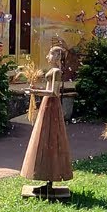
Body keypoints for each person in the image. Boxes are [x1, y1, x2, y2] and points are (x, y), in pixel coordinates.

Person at [20, 47, 72, 193]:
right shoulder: (53, 70)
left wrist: (35, 92)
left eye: (50, 53)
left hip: (51, 105)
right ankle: (45, 174)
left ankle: (51, 173)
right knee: (44, 136)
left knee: (51, 136)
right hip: (47, 104)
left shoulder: (56, 72)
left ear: (56, 56)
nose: (48, 56)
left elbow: (53, 92)